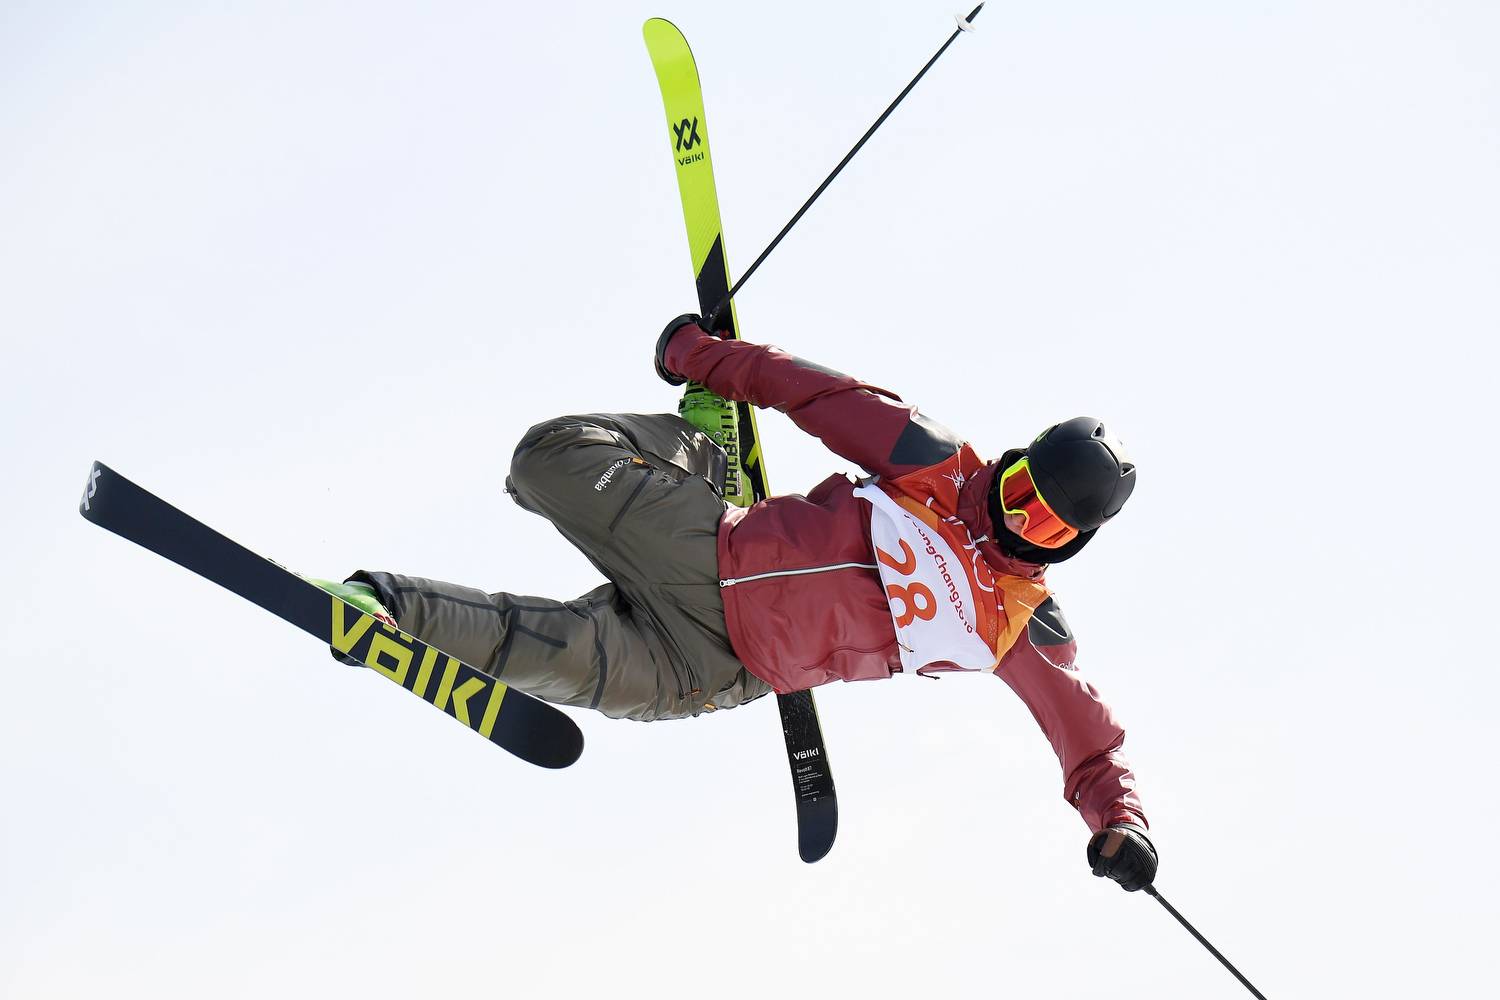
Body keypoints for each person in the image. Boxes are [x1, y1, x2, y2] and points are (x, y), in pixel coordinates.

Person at [316, 316, 1157, 892]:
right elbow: (809, 392)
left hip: (718, 668)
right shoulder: (935, 463)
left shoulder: (1018, 623)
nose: (1014, 514)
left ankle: (375, 610)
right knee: (544, 458)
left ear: (1068, 543)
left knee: (555, 657)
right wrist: (696, 356)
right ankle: (704, 450)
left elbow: (1090, 744)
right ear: (1013, 459)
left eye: (1041, 520)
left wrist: (1123, 826)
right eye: (1019, 488)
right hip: (704, 542)